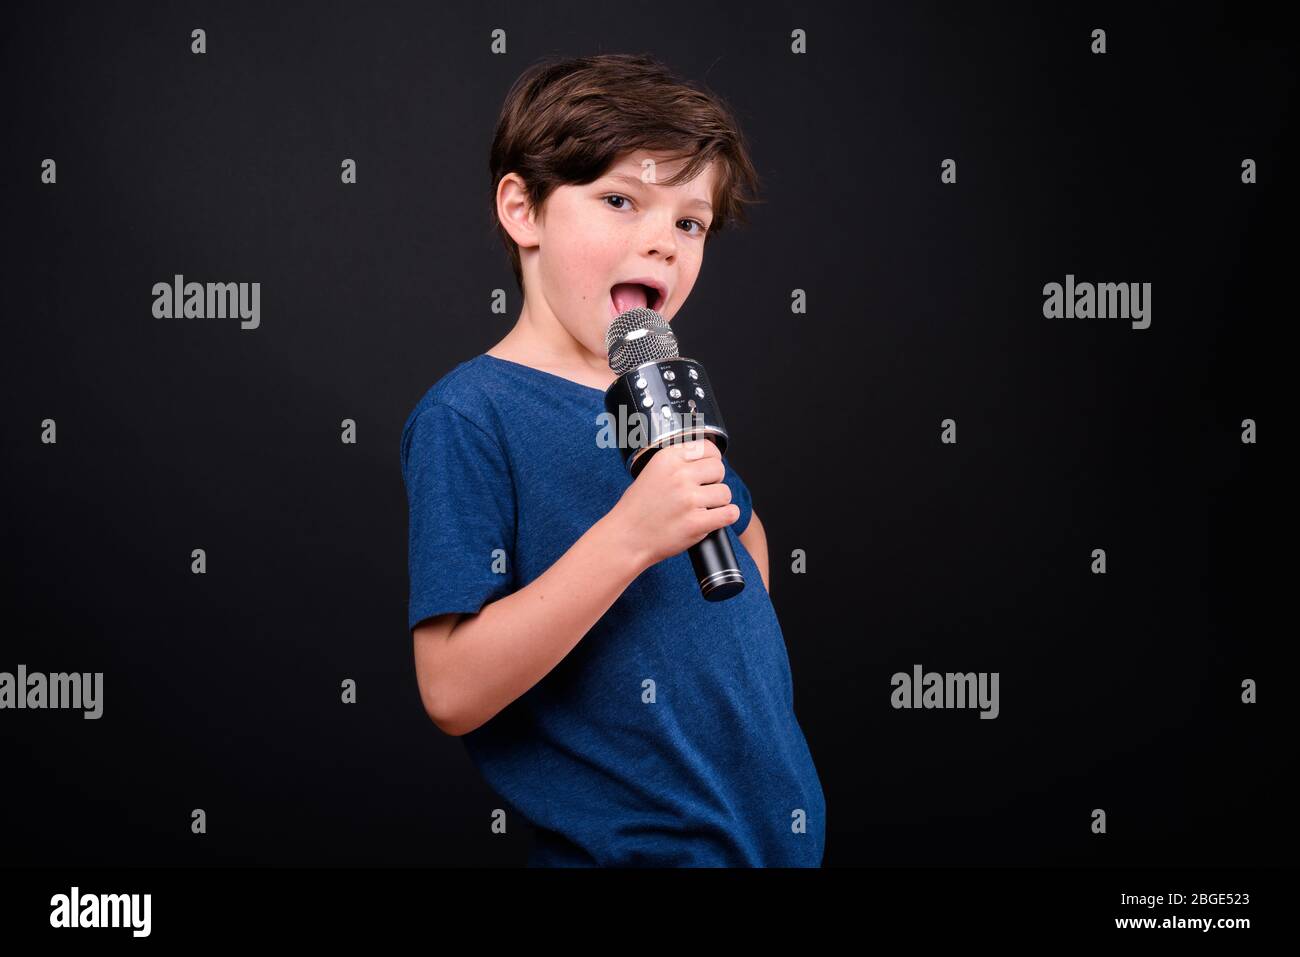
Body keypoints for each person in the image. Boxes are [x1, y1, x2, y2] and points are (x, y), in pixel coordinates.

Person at [400, 53, 825, 866]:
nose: (661, 243)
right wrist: (631, 536)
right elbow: (449, 688)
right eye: (622, 200)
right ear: (523, 209)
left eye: (688, 222)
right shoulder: (473, 413)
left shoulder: (665, 395)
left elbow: (738, 544)